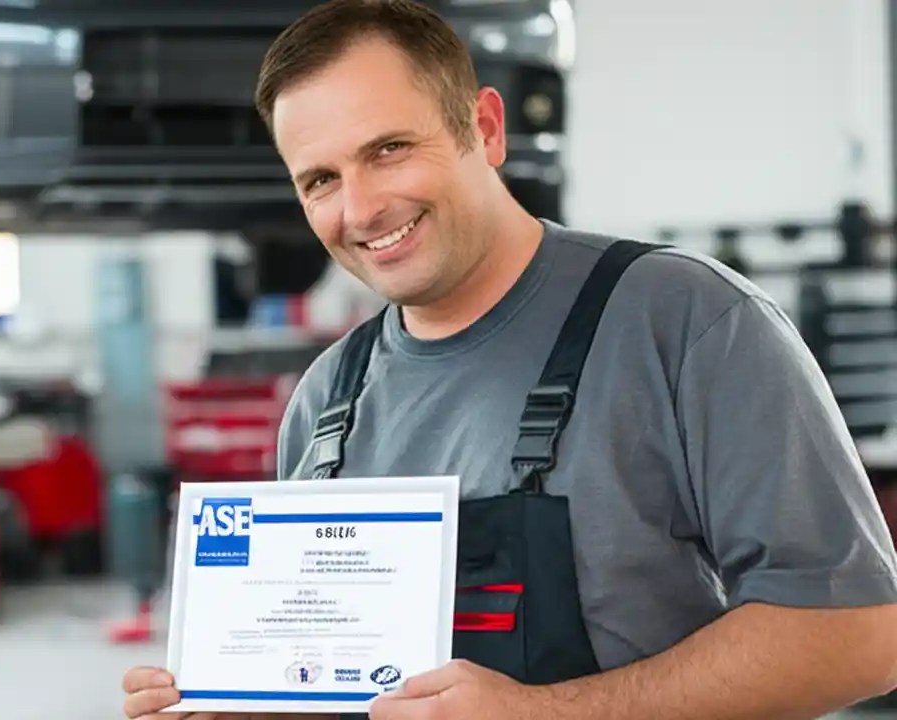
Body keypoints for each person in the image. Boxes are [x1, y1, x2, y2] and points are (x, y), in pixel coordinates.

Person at [121, 0, 897, 718]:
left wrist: (540, 715)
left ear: (485, 129)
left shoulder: (682, 320)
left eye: (389, 150)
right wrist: (244, 702)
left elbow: (862, 633)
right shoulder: (327, 401)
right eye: (321, 180)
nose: (360, 210)